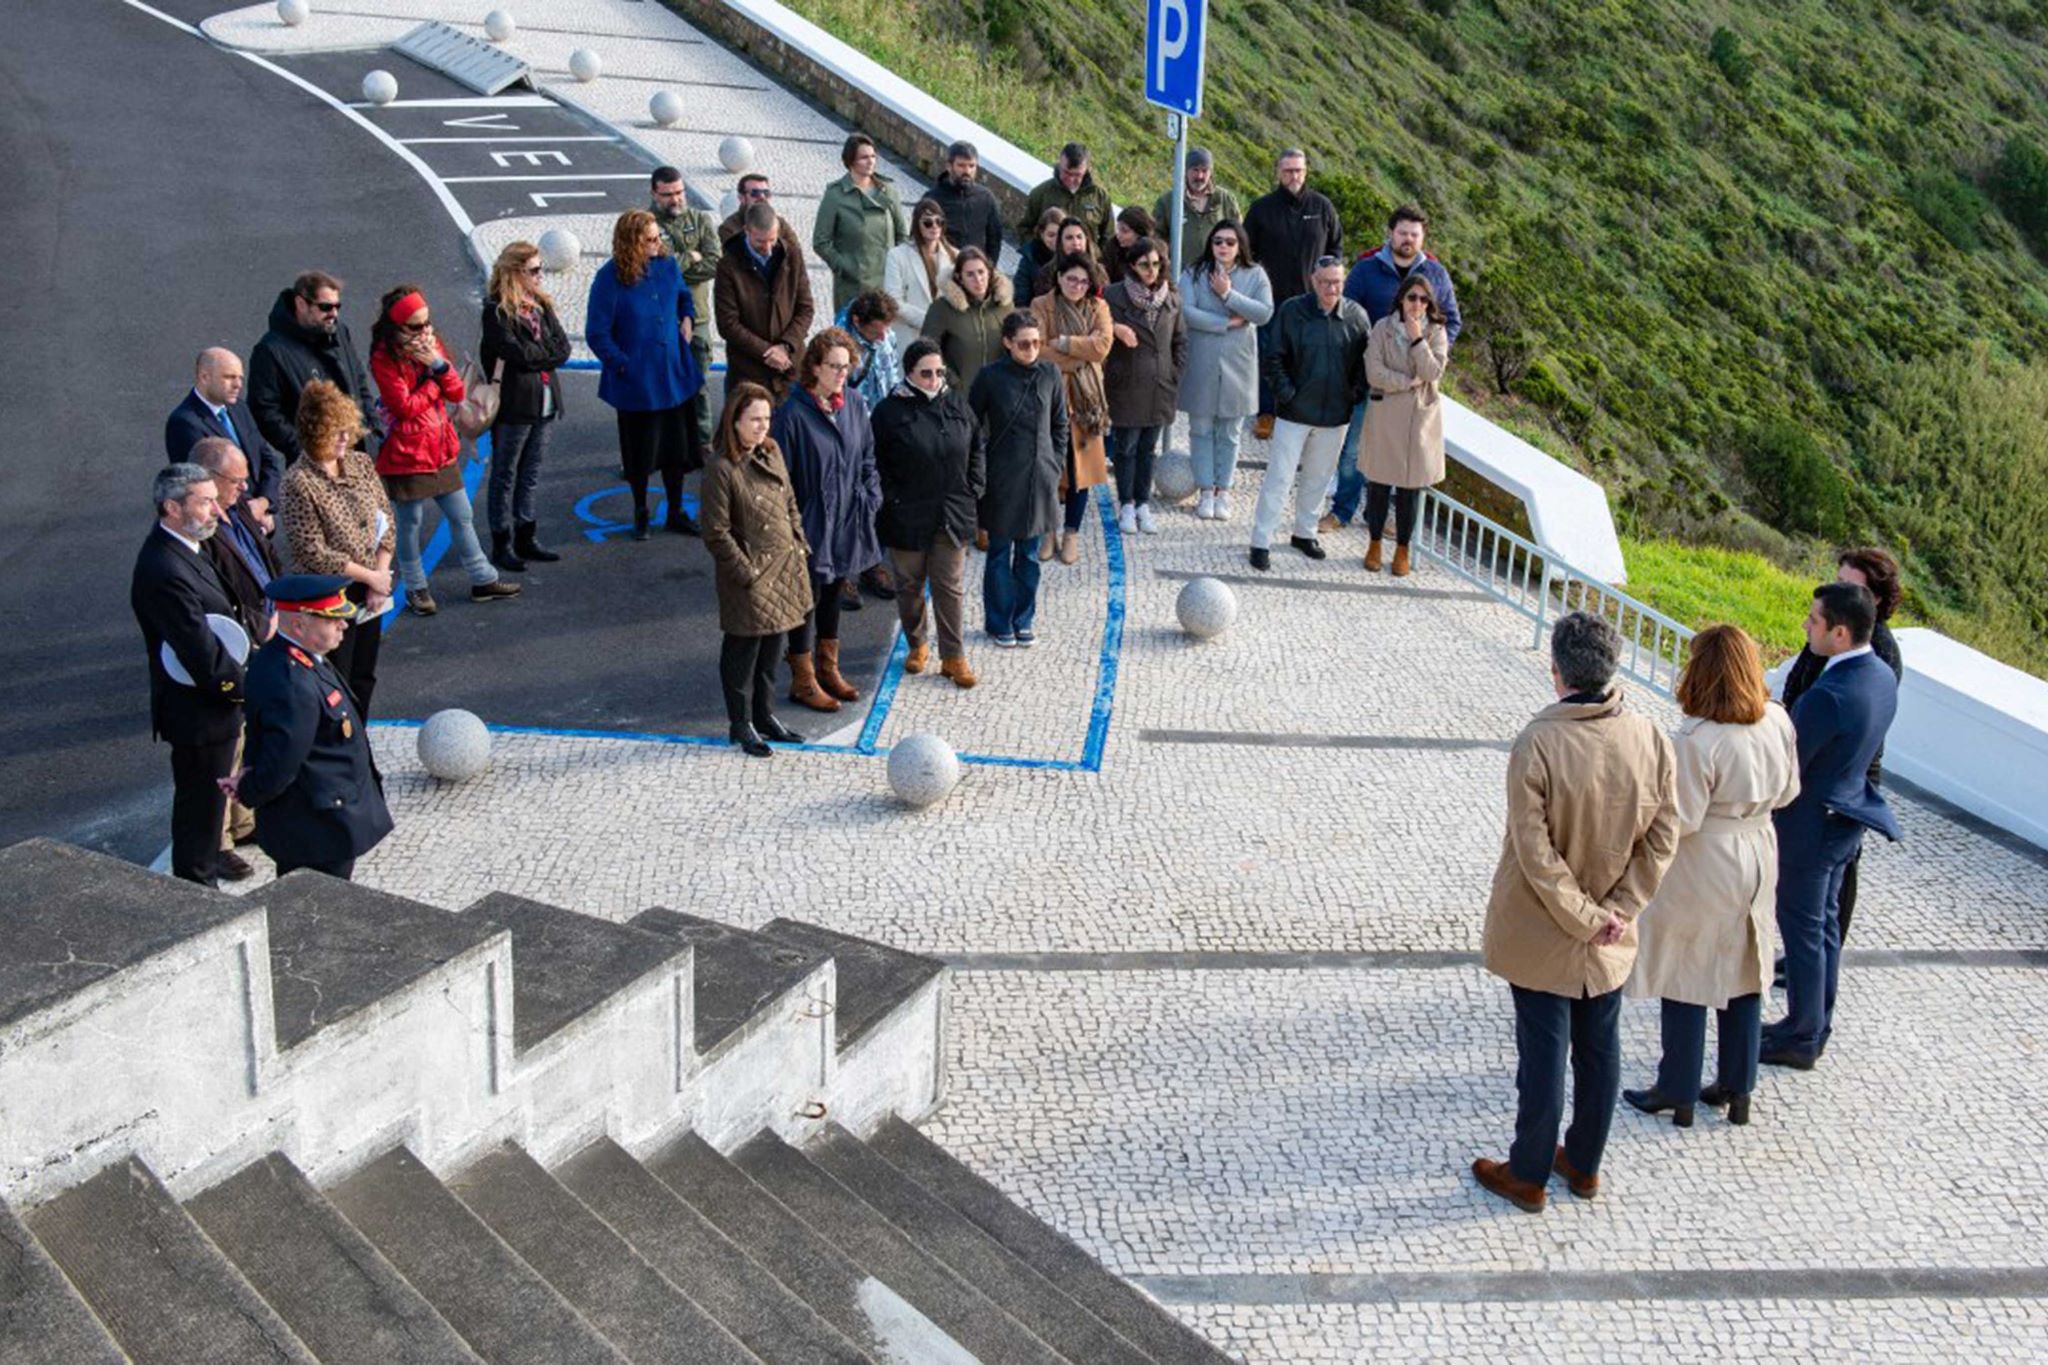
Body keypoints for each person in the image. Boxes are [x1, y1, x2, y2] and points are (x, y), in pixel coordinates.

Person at [1472, 611, 1680, 1214]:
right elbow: (1664, 836)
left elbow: (1534, 853)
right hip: (1610, 937)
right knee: (1598, 1051)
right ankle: (1584, 1165)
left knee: (1543, 1057)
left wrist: (1587, 915)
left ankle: (1529, 1173)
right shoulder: (1649, 735)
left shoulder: (1539, 740)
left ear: (1557, 670)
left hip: (1544, 931)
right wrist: (1617, 911)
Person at [1623, 627, 1801, 1129]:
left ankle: (1676, 1088)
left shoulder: (1697, 738)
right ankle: (1736, 1086)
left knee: (1687, 967)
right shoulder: (1778, 721)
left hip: (1706, 858)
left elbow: (1683, 817)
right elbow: (1789, 791)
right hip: (1760, 847)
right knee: (1746, 966)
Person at [1762, 582, 1902, 1070]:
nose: (1806, 625)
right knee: (1823, 931)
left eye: (1814, 620)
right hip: (1846, 818)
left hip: (1811, 828)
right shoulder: (1881, 676)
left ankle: (1801, 1037)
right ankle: (1814, 1024)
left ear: (1839, 633)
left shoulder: (1829, 695)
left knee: (1802, 930)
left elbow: (1787, 762)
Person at [225, 574, 394, 880]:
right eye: (332, 620)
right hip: (316, 828)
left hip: (323, 819)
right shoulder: (292, 681)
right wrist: (249, 790)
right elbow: (283, 758)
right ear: (299, 625)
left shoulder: (298, 658)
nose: (344, 625)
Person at [1777, 547, 1905, 946]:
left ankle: (1819, 952)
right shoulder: (1831, 633)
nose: (1839, 588)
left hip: (1842, 775)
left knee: (1831, 883)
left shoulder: (1875, 653)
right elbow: (1800, 677)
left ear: (1875, 600)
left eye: (1849, 585)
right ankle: (1811, 957)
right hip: (1821, 759)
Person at [368, 287, 517, 616]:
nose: (424, 332)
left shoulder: (431, 348)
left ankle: (482, 578)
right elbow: (404, 407)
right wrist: (435, 382)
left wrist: (436, 364)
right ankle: (416, 587)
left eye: (426, 324)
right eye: (415, 327)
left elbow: (457, 389)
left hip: (438, 446)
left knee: (461, 514)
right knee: (409, 522)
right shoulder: (384, 357)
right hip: (407, 452)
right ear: (397, 328)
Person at [131, 462, 246, 886]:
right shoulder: (164, 568)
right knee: (200, 814)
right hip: (200, 713)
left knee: (208, 808)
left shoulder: (187, 548)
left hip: (212, 708)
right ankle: (198, 893)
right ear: (171, 508)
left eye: (216, 499)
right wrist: (248, 692)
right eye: (205, 502)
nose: (217, 510)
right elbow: (201, 654)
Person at [1329, 204, 1464, 532]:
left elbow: (1452, 320)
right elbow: (1346, 315)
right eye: (1402, 232)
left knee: (1405, 453)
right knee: (1355, 449)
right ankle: (1341, 511)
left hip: (1416, 389)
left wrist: (1434, 353)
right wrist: (1367, 355)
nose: (1408, 239)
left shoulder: (1436, 274)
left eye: (1414, 234)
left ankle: (1382, 516)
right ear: (1390, 233)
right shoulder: (1365, 269)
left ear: (1423, 237)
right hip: (1372, 379)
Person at [699, 384, 814, 757]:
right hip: (749, 577)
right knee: (742, 652)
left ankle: (765, 717)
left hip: (784, 566)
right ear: (734, 421)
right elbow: (715, 532)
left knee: (772, 650)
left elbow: (789, 499)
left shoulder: (771, 450)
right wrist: (745, 572)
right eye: (754, 420)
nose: (762, 427)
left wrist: (799, 540)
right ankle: (741, 722)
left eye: (766, 419)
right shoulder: (721, 468)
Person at [774, 328, 882, 713]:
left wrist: (870, 497)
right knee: (806, 599)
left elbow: (868, 455)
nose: (842, 373)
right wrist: (793, 526)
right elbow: (781, 478)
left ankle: (827, 668)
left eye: (847, 366)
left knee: (835, 591)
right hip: (810, 522)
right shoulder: (791, 415)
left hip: (847, 519)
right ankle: (803, 679)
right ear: (814, 367)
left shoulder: (853, 403)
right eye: (834, 366)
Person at [588, 209, 708, 542]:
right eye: (649, 240)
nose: (657, 244)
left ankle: (674, 511)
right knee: (639, 452)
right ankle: (640, 510)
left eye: (658, 238)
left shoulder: (668, 266)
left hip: (673, 374)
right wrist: (623, 364)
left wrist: (685, 317)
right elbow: (597, 333)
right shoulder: (609, 278)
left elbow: (684, 297)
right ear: (631, 243)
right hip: (637, 382)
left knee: (677, 448)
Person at [189, 437, 278, 874]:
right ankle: (219, 839)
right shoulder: (203, 532)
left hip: (265, 629)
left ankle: (243, 820)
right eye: (236, 481)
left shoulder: (237, 510)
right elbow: (220, 596)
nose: (244, 489)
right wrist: (259, 625)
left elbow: (263, 561)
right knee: (228, 742)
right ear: (210, 479)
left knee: (250, 733)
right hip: (239, 641)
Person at [874, 339, 985, 688]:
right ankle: (917, 643)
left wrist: (974, 488)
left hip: (952, 513)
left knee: (949, 586)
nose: (935, 379)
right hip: (906, 515)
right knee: (908, 585)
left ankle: (953, 656)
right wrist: (891, 500)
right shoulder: (888, 412)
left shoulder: (956, 403)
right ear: (909, 374)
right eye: (926, 373)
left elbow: (976, 445)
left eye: (939, 372)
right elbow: (875, 463)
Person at [281, 380, 395, 716]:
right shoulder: (298, 482)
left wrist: (380, 574)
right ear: (315, 432)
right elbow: (312, 551)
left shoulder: (360, 464)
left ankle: (358, 741)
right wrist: (371, 578)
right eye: (337, 432)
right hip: (330, 595)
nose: (346, 438)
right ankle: (338, 745)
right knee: (336, 677)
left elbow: (385, 518)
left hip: (371, 586)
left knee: (364, 676)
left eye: (348, 430)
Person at [1248, 257, 1368, 572]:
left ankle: (1305, 533)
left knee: (1318, 479)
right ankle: (1261, 540)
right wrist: (1287, 395)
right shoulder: (1291, 311)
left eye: (1338, 282)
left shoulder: (1357, 317)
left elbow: (1364, 365)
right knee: (1279, 478)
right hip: (1294, 414)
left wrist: (1352, 396)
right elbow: (1272, 357)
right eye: (1326, 281)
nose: (1332, 288)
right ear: (1313, 281)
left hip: (1335, 416)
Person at [970, 312, 1068, 648]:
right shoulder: (989, 377)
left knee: (1029, 556)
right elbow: (972, 425)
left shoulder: (1050, 373)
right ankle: (998, 622)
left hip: (1039, 478)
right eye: (1024, 344)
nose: (1031, 350)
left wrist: (1055, 463)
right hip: (1001, 477)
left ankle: (1023, 619)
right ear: (1008, 342)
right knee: (998, 552)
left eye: (1037, 343)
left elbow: (1060, 424)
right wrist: (980, 468)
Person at [479, 241, 572, 573]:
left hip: (544, 401)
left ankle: (526, 535)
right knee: (504, 474)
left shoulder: (540, 305)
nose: (540, 276)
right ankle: (501, 541)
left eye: (540, 269)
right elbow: (517, 353)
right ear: (514, 273)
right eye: (534, 270)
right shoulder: (496, 311)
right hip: (515, 405)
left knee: (530, 473)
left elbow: (562, 348)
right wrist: (541, 356)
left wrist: (538, 356)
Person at [1242, 150, 1342, 440]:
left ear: (1306, 171)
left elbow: (1335, 248)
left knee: (1308, 358)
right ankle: (1266, 414)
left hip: (1313, 301)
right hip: (1271, 301)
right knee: (1269, 357)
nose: (1293, 176)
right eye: (1287, 171)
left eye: (1298, 170)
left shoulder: (1322, 207)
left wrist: (1330, 283)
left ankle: (1300, 414)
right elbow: (1247, 255)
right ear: (1278, 172)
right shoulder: (1261, 209)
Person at [1358, 274, 1452, 577]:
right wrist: (1405, 382)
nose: (1417, 304)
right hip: (1386, 415)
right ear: (1401, 298)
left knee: (1411, 487)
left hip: (1418, 417)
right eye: (1412, 297)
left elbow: (1432, 370)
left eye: (1424, 299)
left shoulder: (1436, 332)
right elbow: (1374, 372)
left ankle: (1402, 549)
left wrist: (1417, 339)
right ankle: (1374, 543)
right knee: (1379, 482)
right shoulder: (1382, 328)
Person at [1178, 220, 1272, 522]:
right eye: (1218, 241)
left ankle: (1223, 490)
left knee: (1230, 432)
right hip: (1203, 360)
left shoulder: (1255, 274)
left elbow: (1264, 312)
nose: (1223, 247)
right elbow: (1185, 312)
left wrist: (1229, 295)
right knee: (1201, 428)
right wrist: (1225, 323)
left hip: (1238, 362)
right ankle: (1205, 489)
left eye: (1230, 242)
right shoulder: (1193, 273)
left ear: (1240, 245)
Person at [1031, 254, 1114, 565]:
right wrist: (1082, 353)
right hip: (1050, 395)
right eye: (1071, 279)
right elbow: (1037, 351)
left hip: (1087, 401)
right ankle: (1048, 531)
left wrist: (1063, 342)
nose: (1077, 286)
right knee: (1049, 465)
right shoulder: (1041, 305)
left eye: (1083, 281)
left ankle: (1071, 534)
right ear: (1059, 278)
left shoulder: (1098, 308)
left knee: (1082, 469)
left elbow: (1102, 347)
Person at [248, 270, 378, 464]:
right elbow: (264, 411)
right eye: (325, 307)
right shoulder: (270, 351)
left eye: (337, 306)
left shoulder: (339, 332)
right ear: (301, 304)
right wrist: (305, 448)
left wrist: (374, 429)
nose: (333, 313)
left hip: (360, 453)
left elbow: (359, 382)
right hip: (316, 463)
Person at [1104, 238, 1186, 536]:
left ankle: (1143, 503)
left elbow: (1180, 341)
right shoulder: (1114, 295)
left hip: (1160, 386)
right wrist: (1114, 329)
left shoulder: (1172, 298)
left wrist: (1175, 372)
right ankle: (1126, 503)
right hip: (1126, 383)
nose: (1151, 270)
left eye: (1155, 264)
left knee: (1148, 449)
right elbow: (1097, 329)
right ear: (1132, 266)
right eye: (1144, 265)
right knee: (1125, 448)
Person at [166, 349, 283, 526]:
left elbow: (267, 459)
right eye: (229, 377)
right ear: (204, 377)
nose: (238, 385)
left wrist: (265, 503)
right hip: (229, 525)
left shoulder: (239, 408)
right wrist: (251, 515)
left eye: (240, 378)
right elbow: (205, 486)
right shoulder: (184, 423)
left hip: (258, 516)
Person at [651, 166, 723, 449]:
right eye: (668, 194)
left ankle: (702, 442)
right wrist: (690, 257)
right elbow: (653, 273)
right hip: (660, 321)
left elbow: (715, 263)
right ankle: (660, 444)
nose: (676, 199)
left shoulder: (700, 219)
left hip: (698, 317)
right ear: (655, 194)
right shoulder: (646, 225)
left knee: (698, 384)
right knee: (659, 383)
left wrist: (676, 268)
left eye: (679, 192)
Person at [715, 201, 817, 403]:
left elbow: (805, 308)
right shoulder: (728, 265)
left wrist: (785, 346)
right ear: (746, 231)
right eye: (760, 242)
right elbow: (727, 323)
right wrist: (767, 352)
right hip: (748, 371)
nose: (768, 248)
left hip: (790, 367)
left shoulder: (792, 255)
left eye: (772, 240)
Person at [813, 133, 908, 312]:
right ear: (851, 161)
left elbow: (902, 235)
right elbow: (821, 242)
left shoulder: (888, 192)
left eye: (873, 156)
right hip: (852, 287)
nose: (870, 161)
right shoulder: (835, 195)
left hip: (887, 283)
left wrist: (898, 268)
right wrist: (845, 267)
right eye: (864, 157)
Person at [922, 247, 1013, 393]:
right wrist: (953, 382)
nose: (978, 279)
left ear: (989, 273)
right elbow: (927, 350)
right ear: (959, 278)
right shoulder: (942, 308)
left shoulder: (1004, 305)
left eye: (981, 272)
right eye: (970, 274)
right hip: (959, 396)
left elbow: (1014, 347)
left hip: (998, 394)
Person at [884, 198, 958, 350]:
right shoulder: (897, 256)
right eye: (928, 222)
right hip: (908, 336)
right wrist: (929, 321)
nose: (934, 227)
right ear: (917, 224)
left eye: (939, 222)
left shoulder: (955, 256)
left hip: (945, 339)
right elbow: (893, 301)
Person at [1018, 142, 1113, 257]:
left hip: (1085, 267)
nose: (1071, 179)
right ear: (1059, 164)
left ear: (1086, 169)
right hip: (1046, 265)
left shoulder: (1100, 197)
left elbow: (1108, 237)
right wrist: (1035, 255)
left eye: (1077, 175)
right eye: (1066, 173)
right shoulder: (1041, 193)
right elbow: (1024, 229)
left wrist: (1097, 261)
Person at [1152, 146, 1243, 267]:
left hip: (1218, 275)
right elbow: (1156, 235)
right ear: (1185, 170)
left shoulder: (1225, 200)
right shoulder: (1168, 201)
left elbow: (1239, 234)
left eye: (1204, 171)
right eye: (1195, 170)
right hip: (1180, 275)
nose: (1200, 176)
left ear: (1211, 173)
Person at [927, 140, 1004, 259]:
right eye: (961, 165)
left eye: (971, 166)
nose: (967, 171)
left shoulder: (986, 198)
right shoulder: (933, 199)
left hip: (976, 271)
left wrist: (989, 268)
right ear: (949, 166)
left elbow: (994, 239)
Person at [839, 289, 904, 412]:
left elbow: (892, 377)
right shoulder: (838, 344)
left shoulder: (888, 336)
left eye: (886, 331)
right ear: (856, 321)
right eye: (875, 333)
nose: (883, 339)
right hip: (855, 419)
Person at [1029, 219, 1102, 299]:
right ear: (1060, 242)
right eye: (1069, 238)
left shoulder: (1099, 271)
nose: (1075, 242)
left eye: (1079, 237)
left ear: (1086, 240)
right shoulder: (1047, 273)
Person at [1013, 208, 1066, 304]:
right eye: (1051, 235)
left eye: (1060, 235)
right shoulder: (1029, 259)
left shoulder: (1074, 256)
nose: (1056, 240)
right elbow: (1021, 296)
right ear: (1042, 234)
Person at [1105, 205, 1158, 284]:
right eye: (1118, 229)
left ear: (1139, 233)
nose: (1119, 235)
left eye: (1125, 231)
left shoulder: (1154, 252)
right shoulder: (1112, 247)